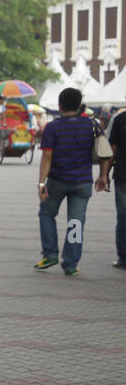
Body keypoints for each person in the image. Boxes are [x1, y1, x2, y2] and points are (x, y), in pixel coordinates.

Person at [35, 87, 107, 276]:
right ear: (79, 105)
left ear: (59, 106)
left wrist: (41, 184)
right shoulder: (92, 124)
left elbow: (47, 157)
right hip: (82, 183)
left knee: (46, 214)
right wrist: (103, 176)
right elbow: (105, 152)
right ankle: (70, 263)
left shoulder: (53, 127)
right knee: (75, 222)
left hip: (58, 181)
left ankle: (50, 254)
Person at [107, 106, 126, 268]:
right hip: (122, 176)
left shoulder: (120, 119)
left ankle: (124, 259)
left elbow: (112, 149)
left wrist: (104, 173)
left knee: (123, 217)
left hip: (122, 176)